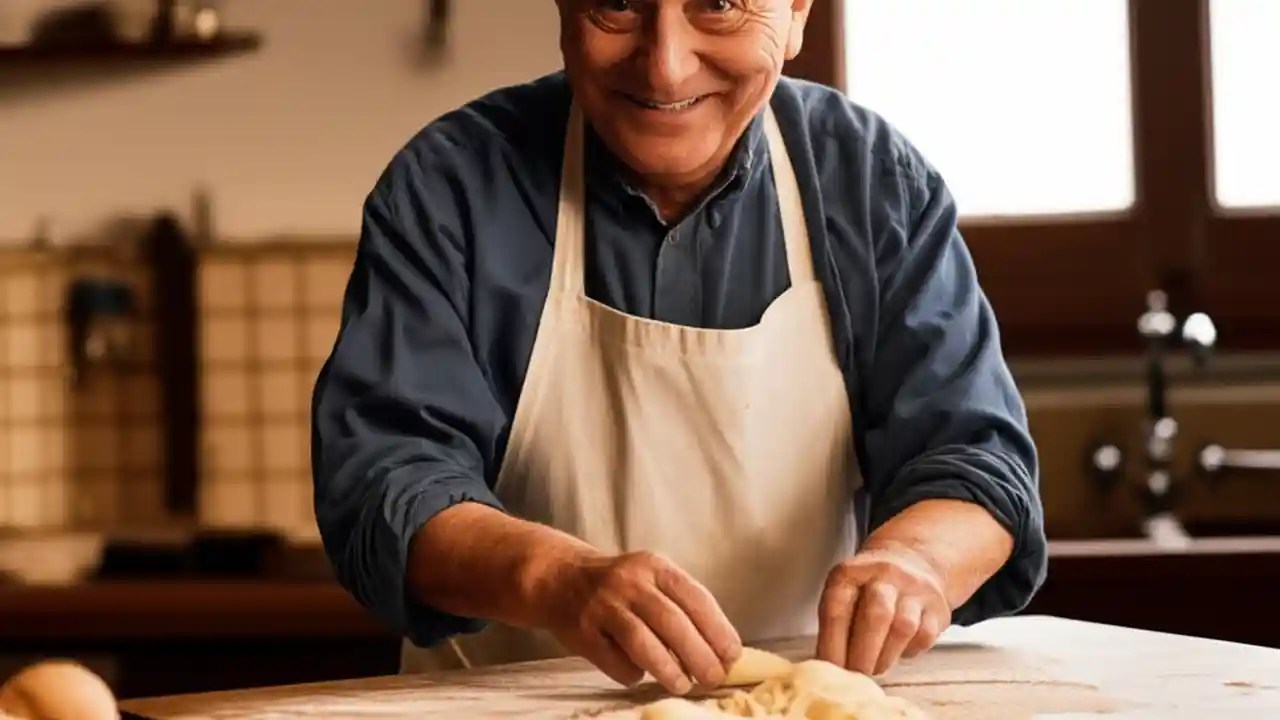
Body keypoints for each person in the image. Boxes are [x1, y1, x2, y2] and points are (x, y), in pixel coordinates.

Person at [311, 0, 1047, 696]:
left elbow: (975, 464)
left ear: (794, 12)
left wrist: (912, 562)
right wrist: (560, 577)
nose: (664, 65)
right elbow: (386, 483)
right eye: (618, 4)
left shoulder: (872, 183)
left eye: (720, 2)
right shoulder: (455, 186)